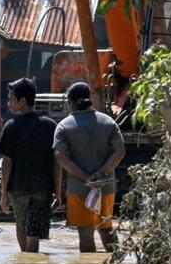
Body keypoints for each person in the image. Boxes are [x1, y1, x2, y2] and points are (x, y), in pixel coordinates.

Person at [53, 82, 125, 253]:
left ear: (71, 102)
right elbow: (120, 151)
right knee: (106, 229)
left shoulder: (64, 125)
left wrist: (86, 178)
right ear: (90, 99)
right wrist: (101, 173)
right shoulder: (108, 122)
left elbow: (60, 156)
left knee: (85, 235)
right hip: (105, 186)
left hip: (80, 189)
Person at [0, 78, 61, 253]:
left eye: (11, 98)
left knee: (21, 224)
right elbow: (57, 162)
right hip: (43, 188)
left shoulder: (11, 127)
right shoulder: (50, 126)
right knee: (34, 232)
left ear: (23, 101)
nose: (8, 102)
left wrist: (3, 193)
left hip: (19, 188)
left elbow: (7, 162)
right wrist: (58, 190)